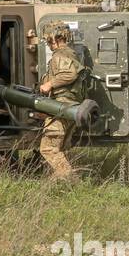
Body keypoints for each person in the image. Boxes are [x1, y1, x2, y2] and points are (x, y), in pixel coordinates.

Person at [36, 20, 88, 180]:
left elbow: (70, 74)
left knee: (48, 149)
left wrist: (49, 84)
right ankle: (62, 181)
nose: (48, 44)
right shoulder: (71, 53)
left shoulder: (61, 55)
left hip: (62, 107)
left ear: (55, 39)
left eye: (49, 40)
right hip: (70, 107)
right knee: (61, 148)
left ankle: (69, 179)